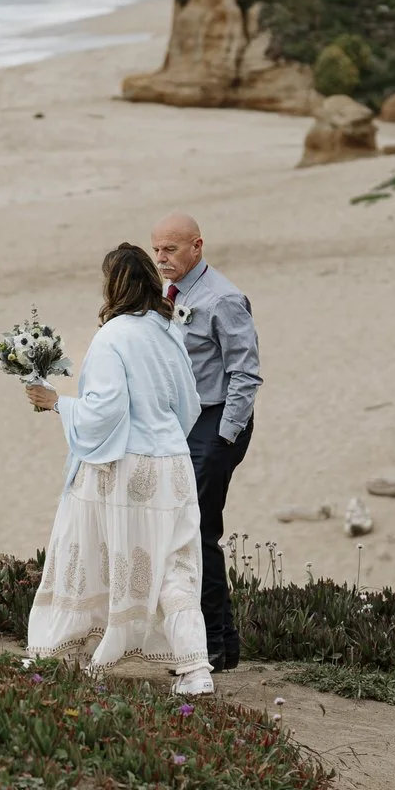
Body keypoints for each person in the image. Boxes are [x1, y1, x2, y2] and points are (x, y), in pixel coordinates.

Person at [21, 243, 215, 695]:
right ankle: (194, 669)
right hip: (174, 465)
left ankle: (64, 646)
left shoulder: (113, 336)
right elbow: (189, 405)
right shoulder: (168, 329)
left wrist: (57, 404)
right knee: (174, 564)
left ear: (113, 285)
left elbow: (104, 412)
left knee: (85, 547)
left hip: (122, 467)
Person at [150, 213, 258, 673]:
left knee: (195, 532)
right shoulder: (165, 297)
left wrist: (222, 437)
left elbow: (246, 373)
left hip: (215, 424)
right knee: (189, 530)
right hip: (183, 425)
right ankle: (223, 644)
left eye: (170, 250)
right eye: (156, 249)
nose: (161, 258)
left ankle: (213, 644)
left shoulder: (224, 298)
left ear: (197, 246)